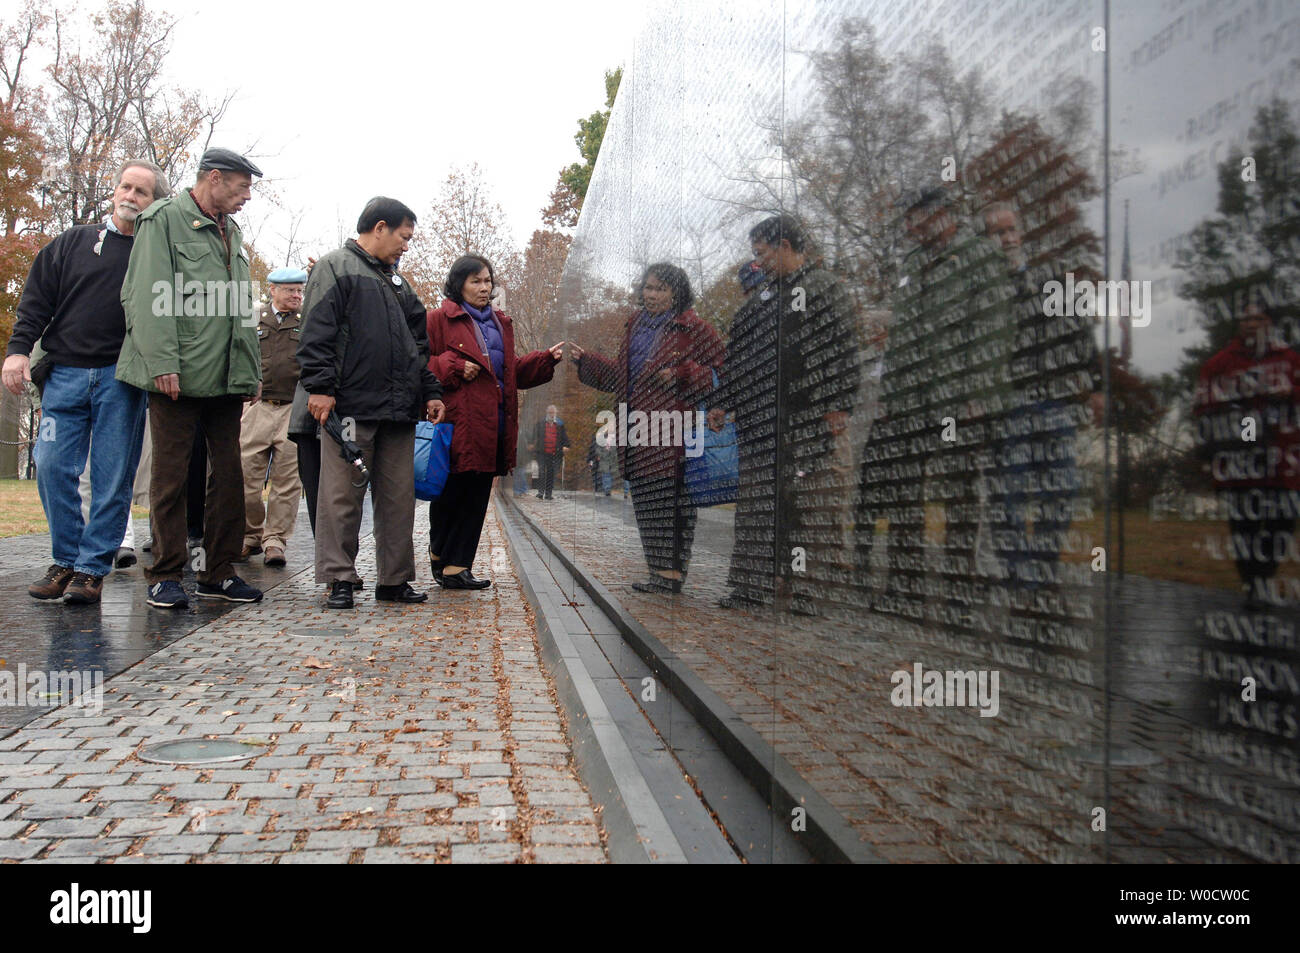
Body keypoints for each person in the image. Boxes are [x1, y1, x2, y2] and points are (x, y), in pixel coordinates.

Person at [3, 159, 168, 604]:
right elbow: (36, 298)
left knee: (112, 477)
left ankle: (92, 569)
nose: (129, 197)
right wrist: (18, 351)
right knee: (53, 465)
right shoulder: (74, 242)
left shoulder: (158, 256)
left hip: (123, 380)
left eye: (141, 192)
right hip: (64, 377)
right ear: (114, 191)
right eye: (125, 187)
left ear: (155, 203)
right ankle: (65, 559)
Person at [116, 146, 266, 610]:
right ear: (215, 178)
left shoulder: (232, 231)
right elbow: (145, 296)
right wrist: (163, 363)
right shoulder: (161, 220)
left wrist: (251, 370)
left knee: (230, 477)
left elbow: (240, 307)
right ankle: (164, 573)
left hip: (226, 377)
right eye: (242, 187)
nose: (246, 197)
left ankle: (217, 572)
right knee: (172, 478)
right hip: (176, 377)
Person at [297, 196, 445, 610]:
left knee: (398, 499)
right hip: (349, 409)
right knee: (341, 496)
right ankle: (339, 578)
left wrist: (430, 391)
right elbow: (315, 334)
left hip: (398, 412)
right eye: (403, 236)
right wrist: (321, 388)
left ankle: (393, 581)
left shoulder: (399, 284)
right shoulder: (335, 267)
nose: (406, 245)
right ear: (379, 227)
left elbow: (419, 348)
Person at [714, 215, 860, 613]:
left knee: (808, 506)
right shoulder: (761, 300)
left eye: (762, 253)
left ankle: (808, 590)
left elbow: (842, 348)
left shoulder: (824, 288)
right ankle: (749, 584)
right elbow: (738, 357)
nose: (758, 263)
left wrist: (837, 403)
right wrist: (723, 400)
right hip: (761, 421)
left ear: (784, 245)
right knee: (758, 504)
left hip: (808, 419)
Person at [572, 262, 724, 593]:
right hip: (637, 427)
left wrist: (682, 375)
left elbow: (720, 375)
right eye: (648, 288)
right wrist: (588, 362)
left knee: (672, 498)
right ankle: (658, 571)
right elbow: (621, 378)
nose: (652, 294)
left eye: (661, 289)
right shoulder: (635, 326)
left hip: (673, 430)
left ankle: (671, 573)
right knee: (644, 497)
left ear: (677, 292)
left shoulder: (695, 328)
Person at [427, 255, 562, 589]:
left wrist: (544, 360)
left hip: (494, 423)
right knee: (449, 492)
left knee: (475, 495)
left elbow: (510, 371)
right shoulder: (438, 319)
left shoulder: (501, 324)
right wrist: (453, 367)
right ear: (458, 284)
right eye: (476, 281)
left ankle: (458, 567)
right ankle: (439, 555)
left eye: (488, 281)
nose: (484, 288)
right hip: (456, 422)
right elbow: (417, 364)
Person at [1194, 302, 1300, 607]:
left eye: (1259, 318)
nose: (1252, 323)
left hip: (1282, 456)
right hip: (1241, 452)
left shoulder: (1290, 359)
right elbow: (1203, 406)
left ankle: (1263, 577)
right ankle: (1255, 587)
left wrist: (1289, 392)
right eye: (1246, 318)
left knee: (1281, 522)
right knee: (1245, 525)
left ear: (1271, 323)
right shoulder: (1220, 362)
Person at [239, 267, 306, 567]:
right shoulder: (253, 318)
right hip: (257, 407)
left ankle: (275, 540)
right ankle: (250, 535)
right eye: (290, 290)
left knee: (287, 480)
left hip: (292, 407)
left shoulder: (307, 323)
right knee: (245, 474)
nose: (296, 296)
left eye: (300, 290)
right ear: (273, 290)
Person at [528, 404, 569, 499]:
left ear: (556, 413)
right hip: (542, 452)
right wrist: (531, 443)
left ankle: (548, 494)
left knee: (551, 473)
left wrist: (566, 446)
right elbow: (534, 434)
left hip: (554, 454)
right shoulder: (540, 423)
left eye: (553, 412)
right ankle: (541, 492)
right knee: (541, 472)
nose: (551, 414)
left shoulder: (560, 424)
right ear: (547, 413)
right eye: (550, 412)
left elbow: (564, 437)